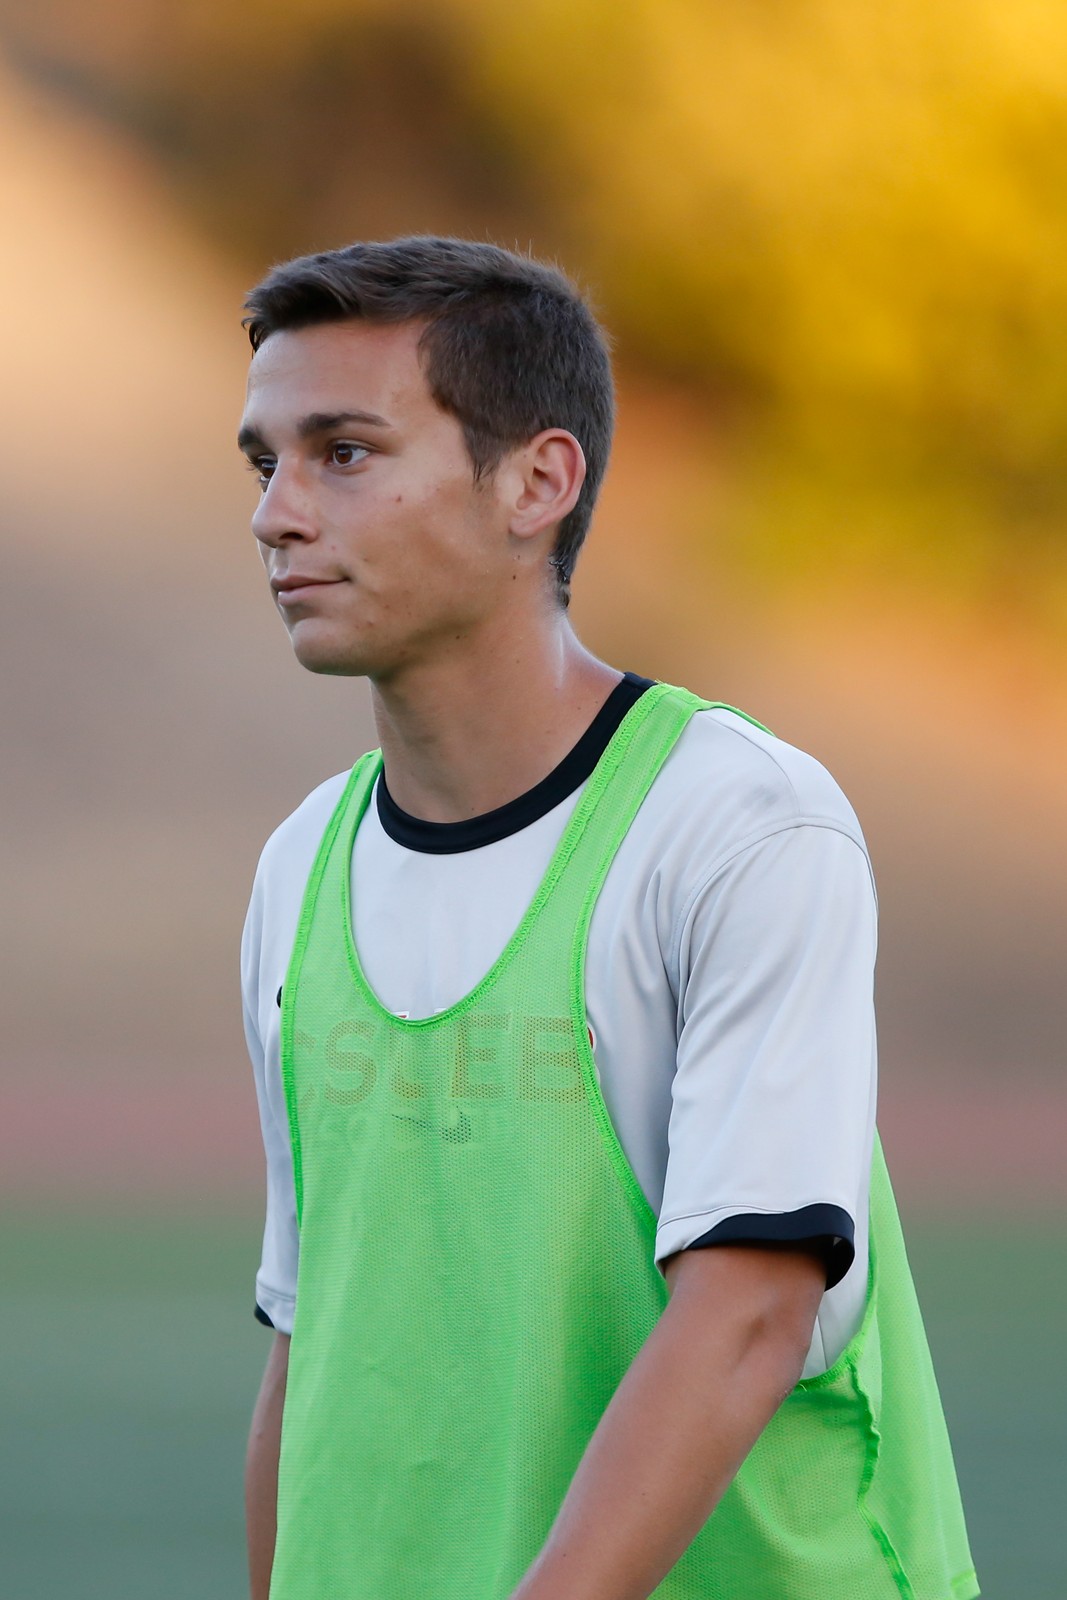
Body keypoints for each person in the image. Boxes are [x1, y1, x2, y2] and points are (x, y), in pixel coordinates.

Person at [238, 236, 977, 1600]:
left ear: (538, 481)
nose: (278, 512)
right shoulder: (301, 867)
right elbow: (312, 1340)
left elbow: (751, 1313)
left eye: (342, 451)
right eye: (264, 462)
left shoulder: (739, 825)